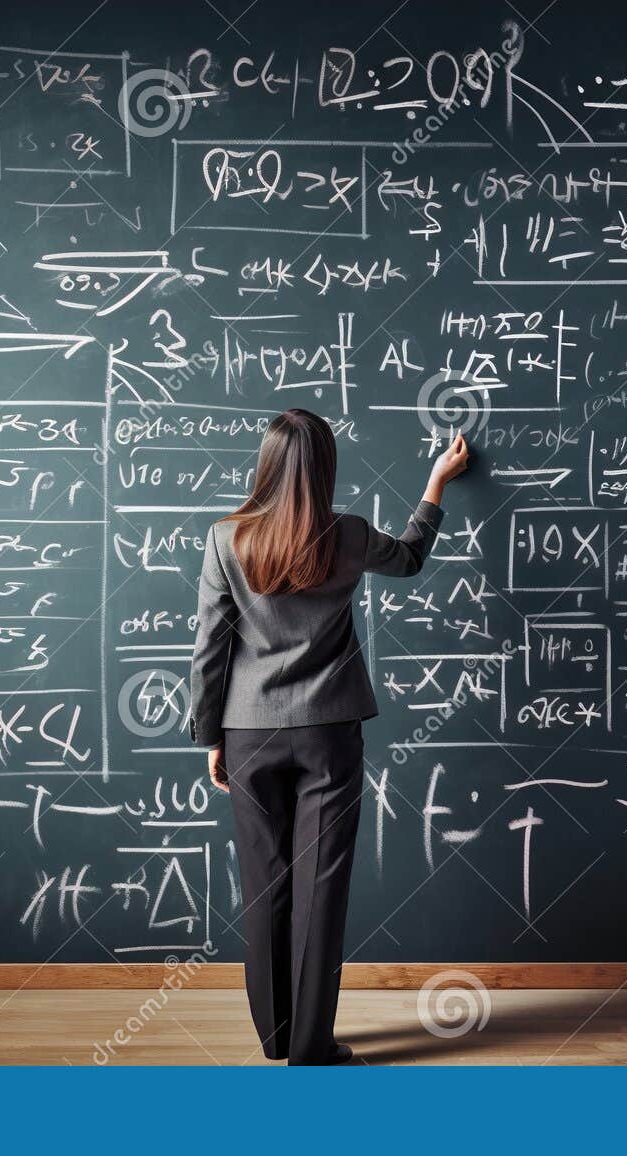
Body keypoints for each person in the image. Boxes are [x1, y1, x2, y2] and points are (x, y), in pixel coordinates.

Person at [188, 408, 470, 1064]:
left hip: (249, 731)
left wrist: (210, 736)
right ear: (323, 467)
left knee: (264, 885)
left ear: (266, 463)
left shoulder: (227, 538)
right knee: (322, 887)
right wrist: (436, 484)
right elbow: (410, 558)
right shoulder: (345, 535)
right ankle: (312, 1046)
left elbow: (209, 646)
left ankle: (276, 1035)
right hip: (328, 733)